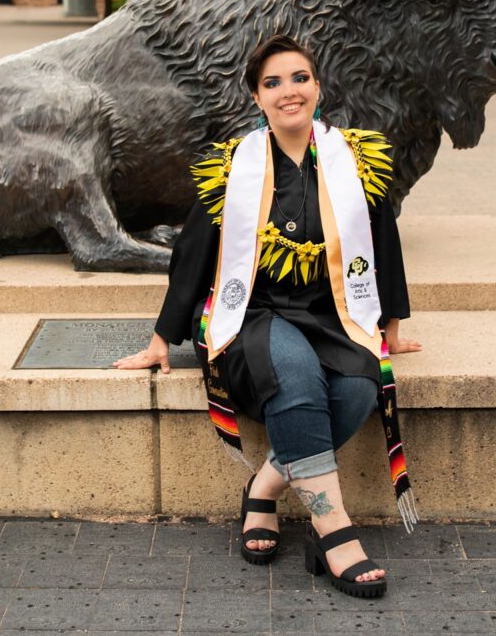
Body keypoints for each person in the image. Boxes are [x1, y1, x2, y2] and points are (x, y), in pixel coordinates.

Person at [115, 34, 422, 599]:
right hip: (255, 315)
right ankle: (334, 531)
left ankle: (265, 486)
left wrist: (391, 325)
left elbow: (382, 240)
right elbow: (193, 254)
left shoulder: (354, 160)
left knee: (357, 390)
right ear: (257, 98)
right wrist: (163, 337)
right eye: (273, 83)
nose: (289, 91)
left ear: (319, 87)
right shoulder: (235, 167)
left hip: (332, 314)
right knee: (298, 377)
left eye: (299, 78)